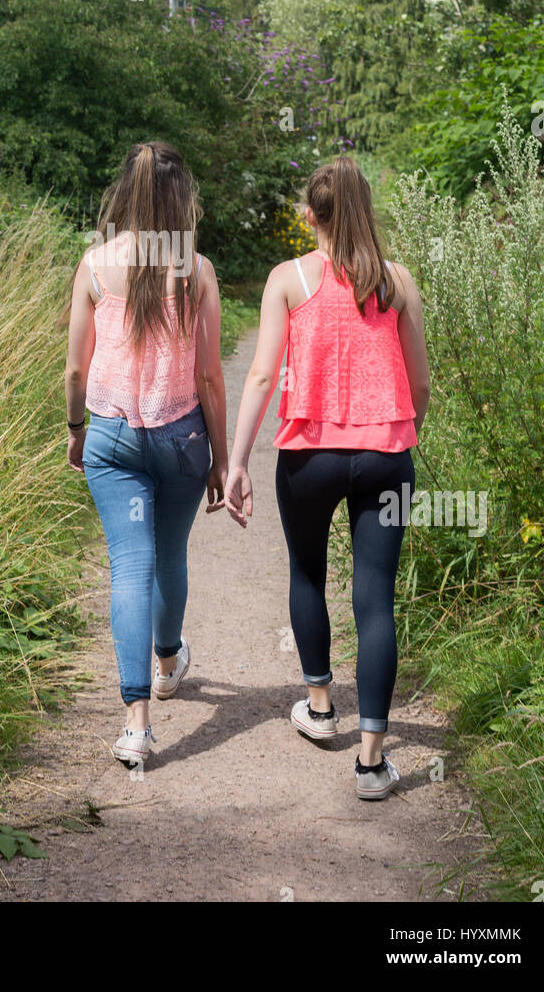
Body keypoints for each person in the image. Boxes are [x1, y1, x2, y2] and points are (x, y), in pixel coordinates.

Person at [224, 156, 430, 800]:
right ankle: (371, 764)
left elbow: (260, 376)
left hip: (309, 457)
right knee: (376, 599)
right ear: (366, 210)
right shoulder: (398, 282)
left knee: (307, 571)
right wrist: (397, 435)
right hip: (386, 455)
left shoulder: (288, 279)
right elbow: (420, 384)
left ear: (308, 215)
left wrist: (235, 460)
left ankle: (320, 709)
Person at [64, 141, 228, 768]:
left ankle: (136, 724)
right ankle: (167, 662)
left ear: (125, 194)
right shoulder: (197, 271)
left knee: (128, 567)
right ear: (180, 196)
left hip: (111, 436)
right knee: (168, 555)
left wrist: (76, 429)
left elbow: (76, 369)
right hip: (181, 435)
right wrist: (219, 457)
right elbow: (211, 377)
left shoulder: (97, 267)